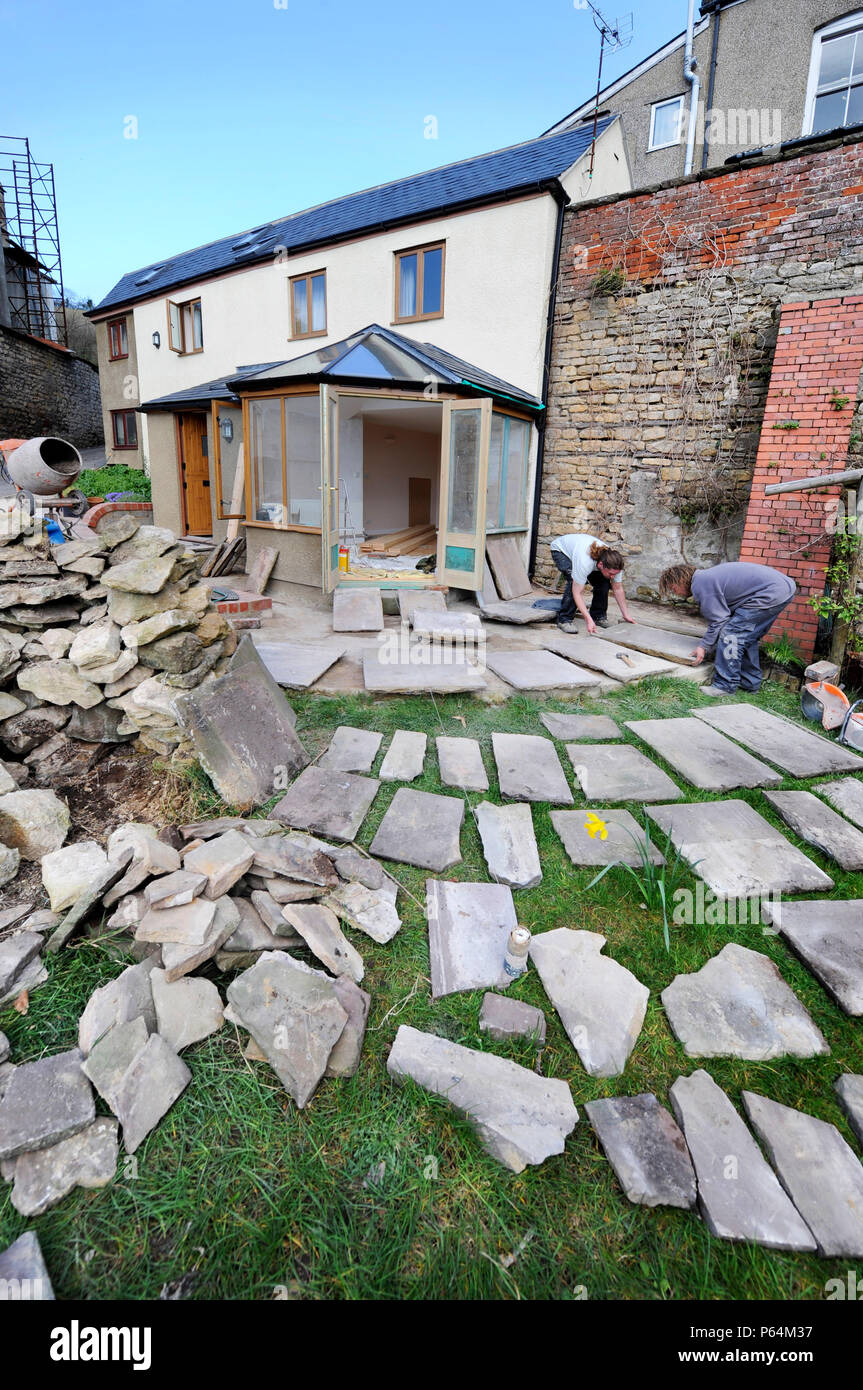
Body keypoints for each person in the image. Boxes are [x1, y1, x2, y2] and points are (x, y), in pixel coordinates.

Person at [658, 560, 796, 696]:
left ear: (681, 580)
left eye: (673, 588)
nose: (675, 593)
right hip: (782, 589)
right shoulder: (707, 577)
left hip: (770, 593)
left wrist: (704, 646)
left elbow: (719, 620)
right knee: (745, 637)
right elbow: (723, 615)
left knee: (731, 634)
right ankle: (750, 683)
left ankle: (725, 686)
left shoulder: (700, 584)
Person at [550, 533, 635, 634]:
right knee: (574, 580)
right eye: (611, 574)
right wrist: (587, 619)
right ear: (600, 565)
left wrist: (625, 614)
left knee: (604, 582)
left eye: (615, 574)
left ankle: (598, 616)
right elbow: (577, 592)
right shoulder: (585, 562)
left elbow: (618, 589)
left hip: (581, 550)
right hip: (561, 550)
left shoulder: (614, 564)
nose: (613, 576)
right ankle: (564, 619)